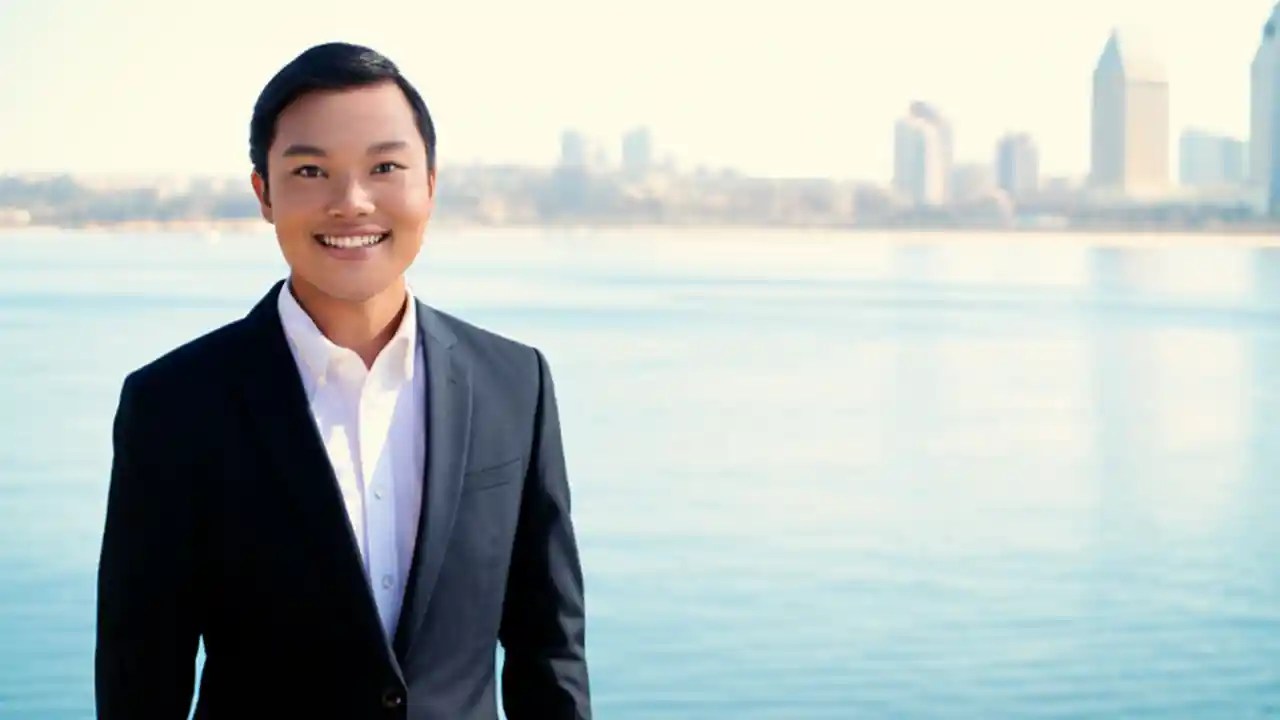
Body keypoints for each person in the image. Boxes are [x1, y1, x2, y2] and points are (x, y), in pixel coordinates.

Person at [94, 42, 591, 719]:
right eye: (310, 170)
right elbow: (140, 677)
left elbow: (549, 652)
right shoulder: (174, 405)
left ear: (431, 184)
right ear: (263, 193)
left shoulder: (515, 383)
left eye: (385, 166)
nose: (351, 202)